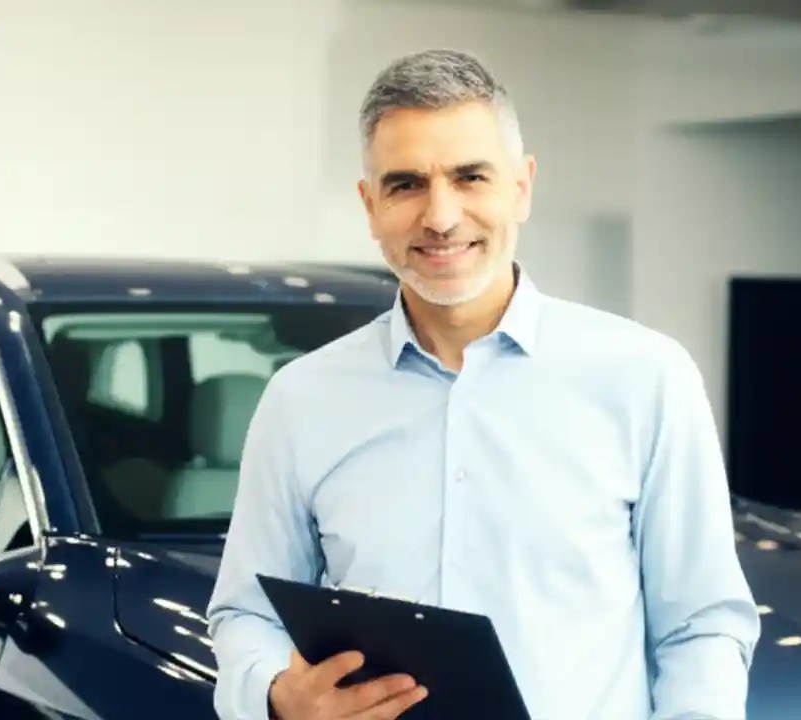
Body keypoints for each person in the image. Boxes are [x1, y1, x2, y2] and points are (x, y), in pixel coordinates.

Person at [206, 48, 761, 720]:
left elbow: (701, 626)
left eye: (470, 177)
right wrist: (274, 694)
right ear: (369, 204)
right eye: (406, 184)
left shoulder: (646, 378)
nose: (440, 217)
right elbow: (245, 613)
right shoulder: (301, 400)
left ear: (521, 187)